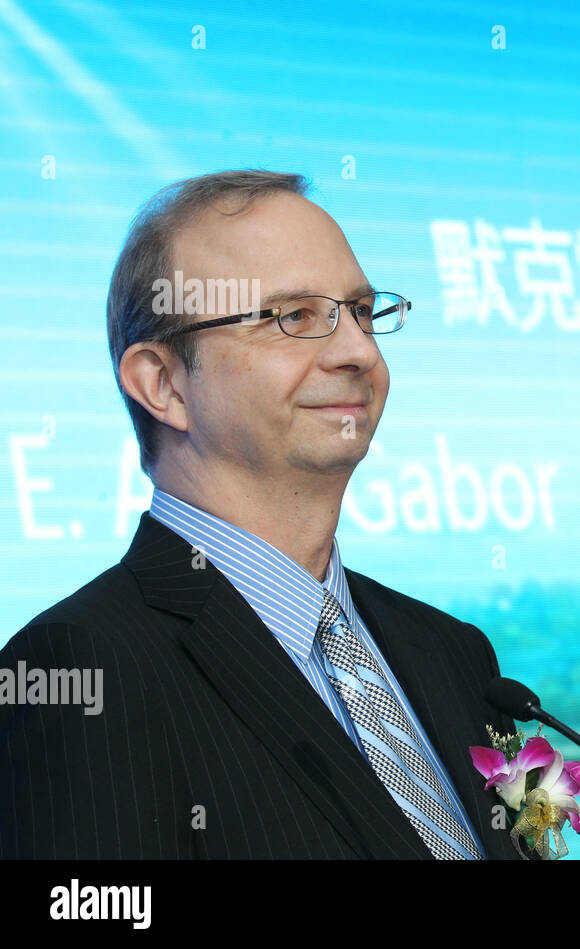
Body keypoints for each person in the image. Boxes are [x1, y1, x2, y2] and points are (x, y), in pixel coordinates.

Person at [0, 170, 526, 859]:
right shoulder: (82, 669)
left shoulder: (455, 653)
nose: (359, 352)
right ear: (163, 383)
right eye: (294, 318)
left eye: (363, 312)